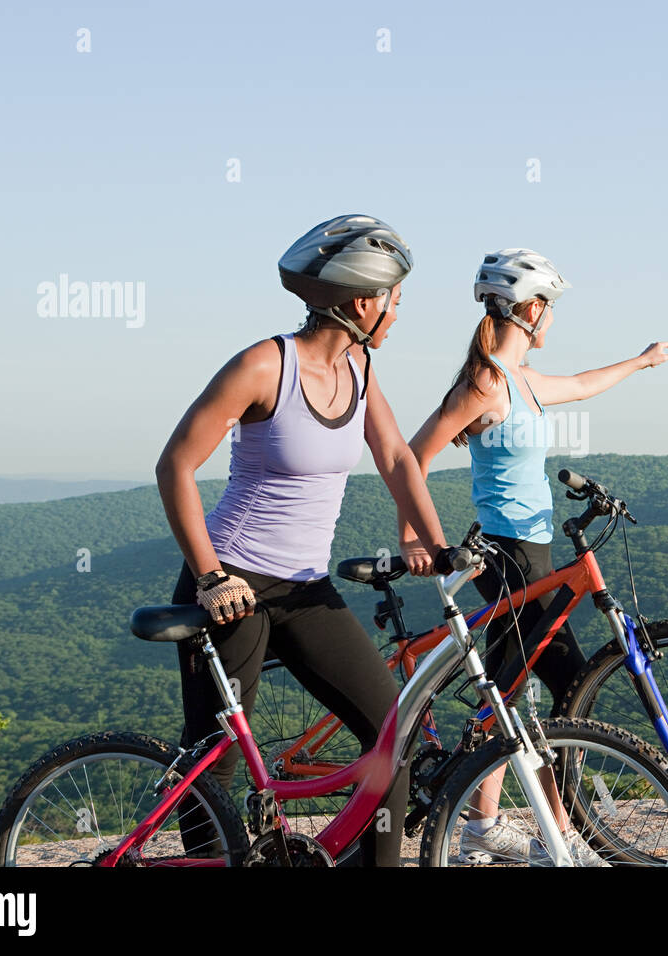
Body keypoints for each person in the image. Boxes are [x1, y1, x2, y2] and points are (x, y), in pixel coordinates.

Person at [154, 214, 451, 867]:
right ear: (362, 300)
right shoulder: (265, 366)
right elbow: (175, 464)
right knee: (218, 759)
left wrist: (439, 545)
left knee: (389, 735)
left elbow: (397, 456)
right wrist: (209, 577)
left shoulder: (363, 369)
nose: (399, 313)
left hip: (304, 586)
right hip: (230, 578)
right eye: (395, 300)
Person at [398, 247, 668, 862]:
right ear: (529, 309)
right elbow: (411, 456)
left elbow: (581, 384)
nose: (552, 319)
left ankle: (482, 826)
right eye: (549, 307)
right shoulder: (484, 384)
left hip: (534, 554)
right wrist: (414, 536)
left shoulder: (520, 381)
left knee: (509, 688)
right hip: (508, 557)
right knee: (564, 685)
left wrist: (641, 361)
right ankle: (553, 837)